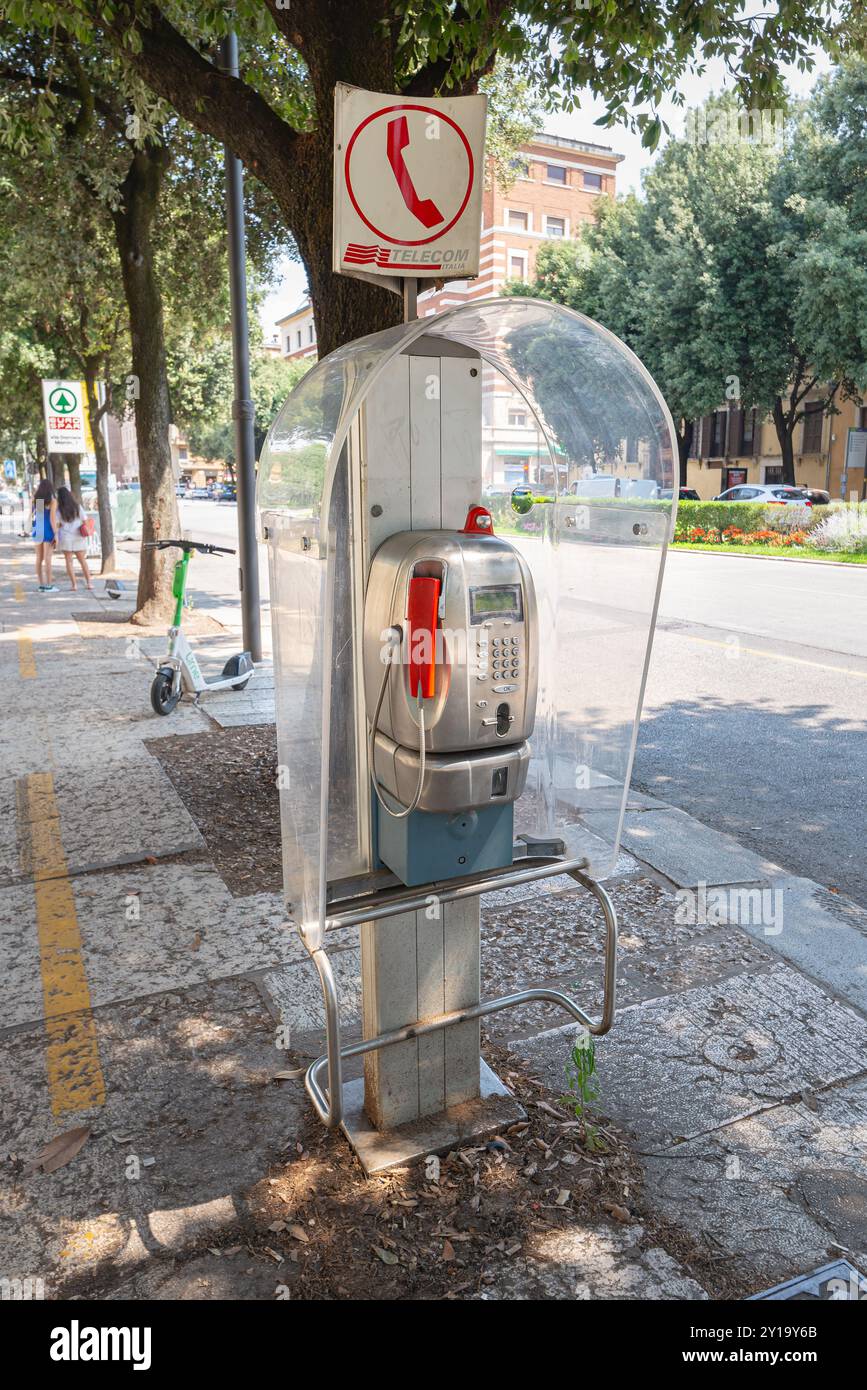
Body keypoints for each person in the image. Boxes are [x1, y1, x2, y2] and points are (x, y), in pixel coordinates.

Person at [55, 485, 94, 591]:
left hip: (66, 537)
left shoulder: (59, 510)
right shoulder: (77, 507)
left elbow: (57, 524)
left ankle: (74, 585)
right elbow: (85, 521)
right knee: (82, 561)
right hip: (78, 536)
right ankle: (89, 583)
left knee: (69, 562)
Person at [32, 478, 58, 592]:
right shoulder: (52, 501)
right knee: (48, 558)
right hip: (48, 529)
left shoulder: (36, 499)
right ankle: (49, 585)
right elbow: (52, 519)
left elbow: (37, 516)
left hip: (38, 528)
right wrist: (56, 533)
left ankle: (41, 585)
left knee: (39, 558)